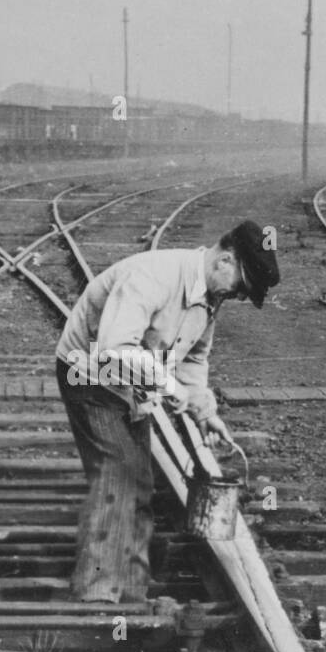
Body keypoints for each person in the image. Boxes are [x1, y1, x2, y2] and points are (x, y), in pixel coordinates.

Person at [56, 221, 280, 603]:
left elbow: (193, 355)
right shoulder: (152, 277)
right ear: (225, 259)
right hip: (90, 374)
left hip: (133, 384)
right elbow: (113, 351)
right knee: (118, 474)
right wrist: (170, 387)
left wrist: (204, 410)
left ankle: (130, 587)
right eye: (241, 287)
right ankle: (96, 592)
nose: (239, 297)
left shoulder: (210, 295)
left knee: (141, 481)